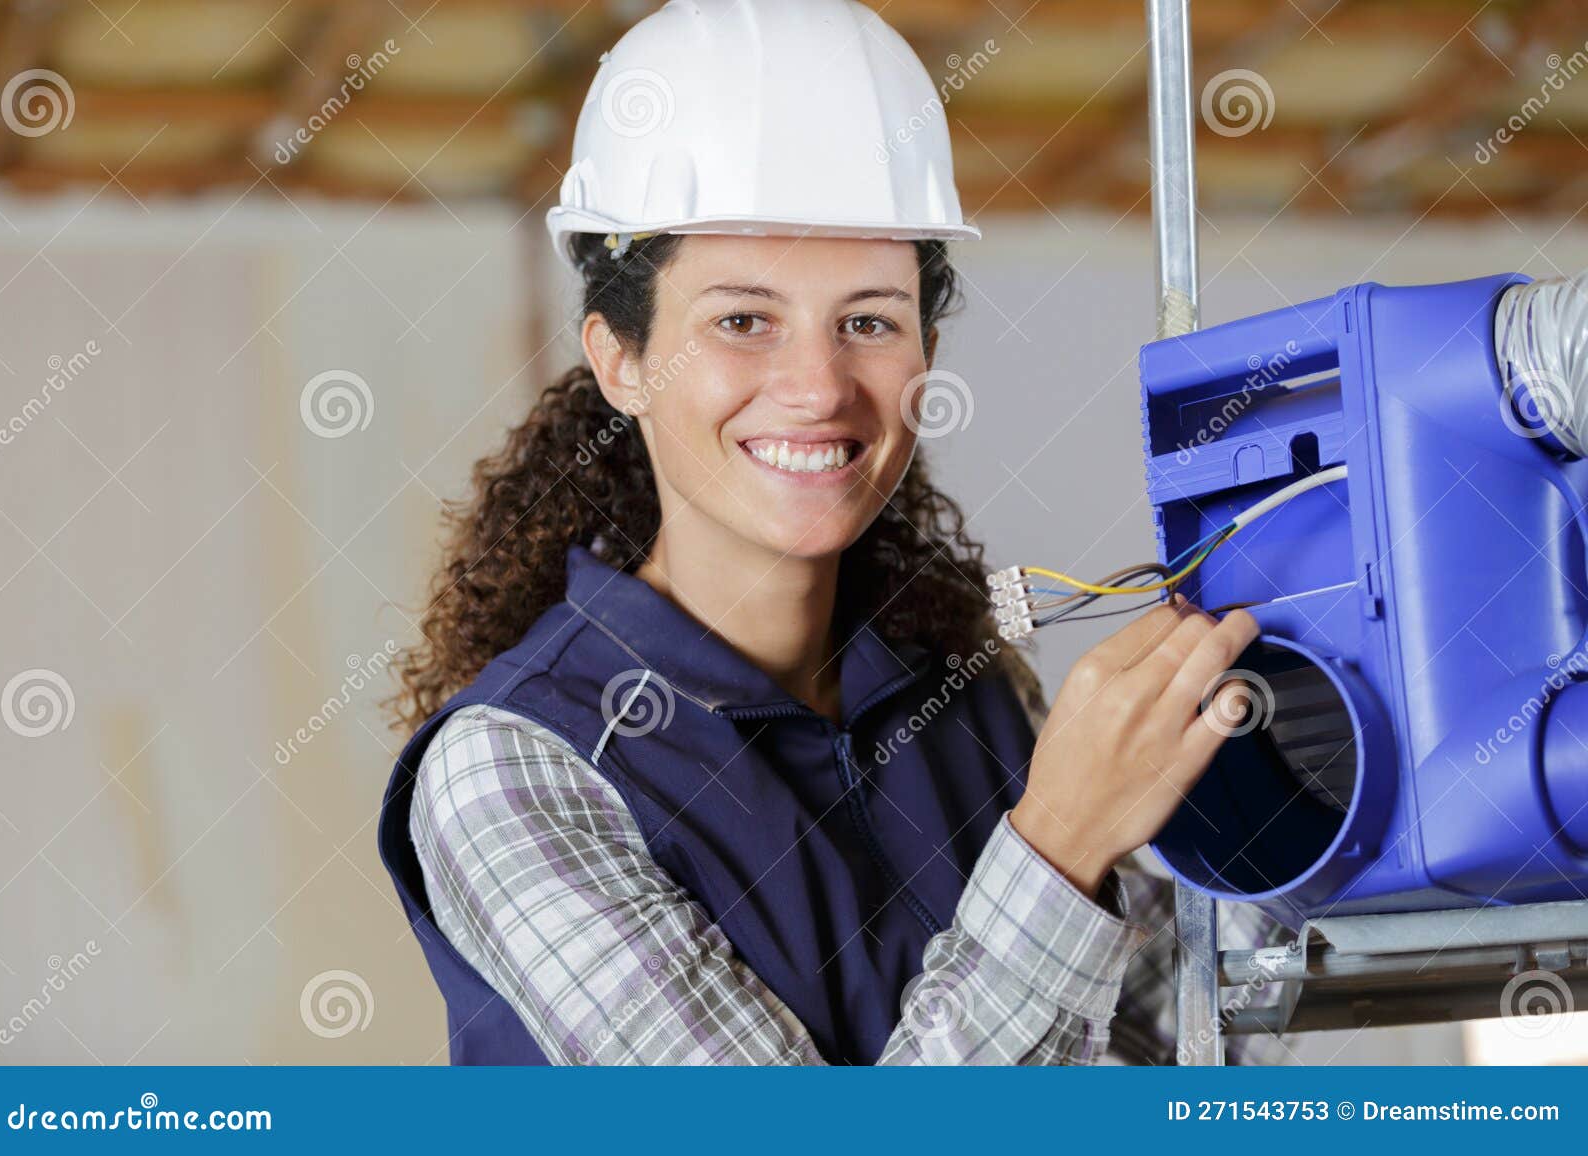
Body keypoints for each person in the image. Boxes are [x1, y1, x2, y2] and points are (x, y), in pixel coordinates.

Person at [376, 0, 1290, 1066]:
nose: (818, 389)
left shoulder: (977, 703)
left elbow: (1190, 1058)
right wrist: (1058, 842)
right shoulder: (517, 768)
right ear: (621, 359)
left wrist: (1279, 787)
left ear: (926, 350)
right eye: (742, 320)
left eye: (867, 321)